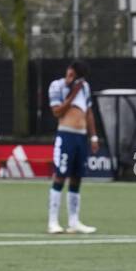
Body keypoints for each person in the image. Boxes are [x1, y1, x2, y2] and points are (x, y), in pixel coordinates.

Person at [47, 60, 98, 234]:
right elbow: (57, 112)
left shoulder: (85, 88)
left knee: (77, 177)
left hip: (80, 137)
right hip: (66, 134)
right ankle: (53, 221)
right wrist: (72, 92)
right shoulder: (56, 86)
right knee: (60, 175)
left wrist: (93, 136)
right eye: (70, 74)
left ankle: (74, 221)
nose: (72, 78)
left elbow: (89, 112)